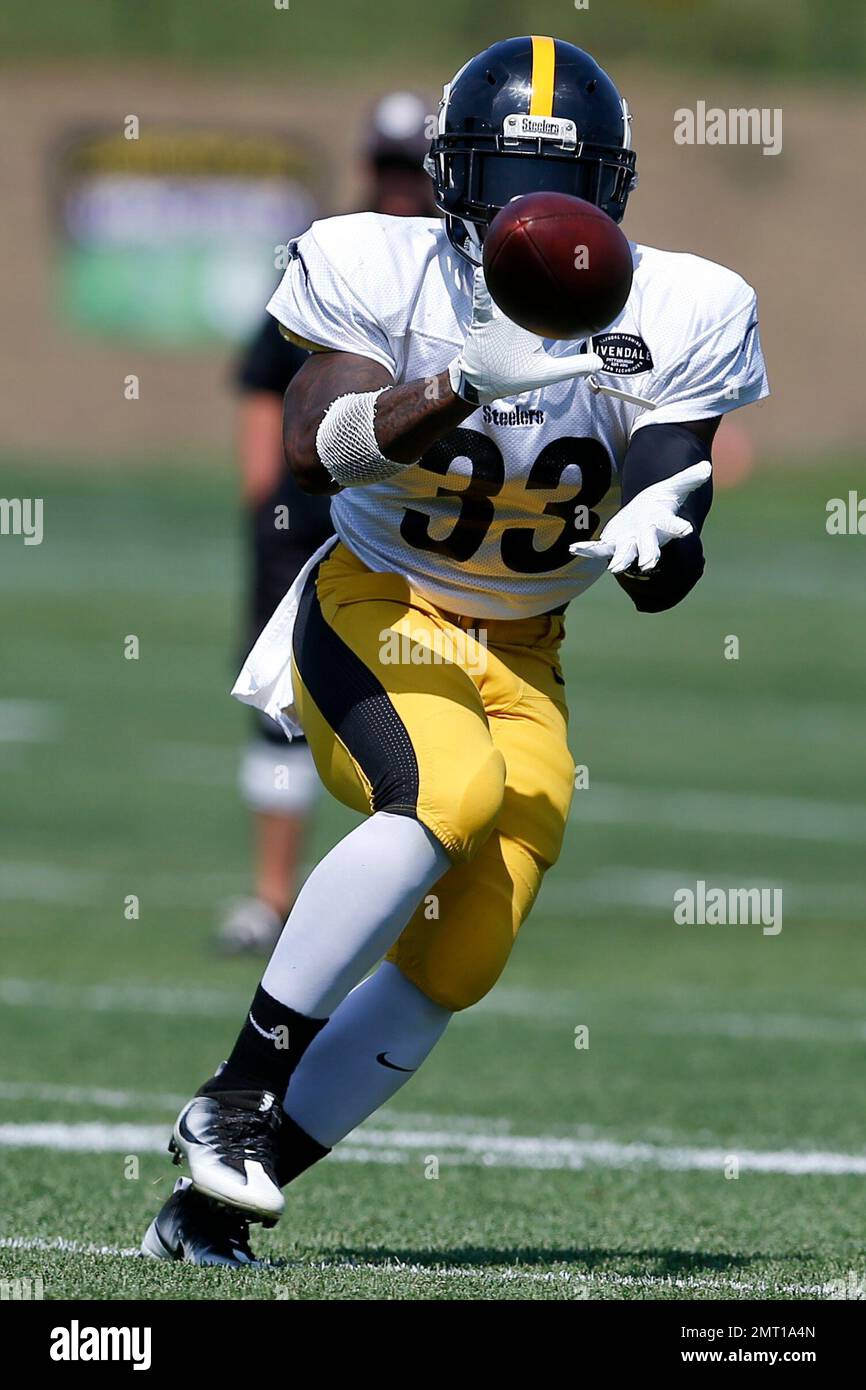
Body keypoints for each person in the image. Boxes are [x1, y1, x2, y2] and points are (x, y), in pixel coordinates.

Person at [142, 36, 768, 1264]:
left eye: (566, 180)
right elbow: (318, 442)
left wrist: (663, 533)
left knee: (466, 946)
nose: (534, 214)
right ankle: (230, 1090)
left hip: (527, 647)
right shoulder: (377, 265)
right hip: (377, 603)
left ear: (616, 189)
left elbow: (663, 534)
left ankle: (215, 1206)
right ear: (445, 178)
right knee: (446, 788)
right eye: (503, 176)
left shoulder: (689, 304)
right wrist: (455, 384)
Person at [218, 91, 437, 953]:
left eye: (411, 169)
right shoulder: (337, 255)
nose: (396, 186)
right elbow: (261, 371)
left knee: (420, 704)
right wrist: (260, 486)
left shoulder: (460, 270)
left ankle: (396, 903)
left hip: (414, 527)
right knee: (278, 704)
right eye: (384, 166)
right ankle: (272, 896)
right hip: (312, 512)